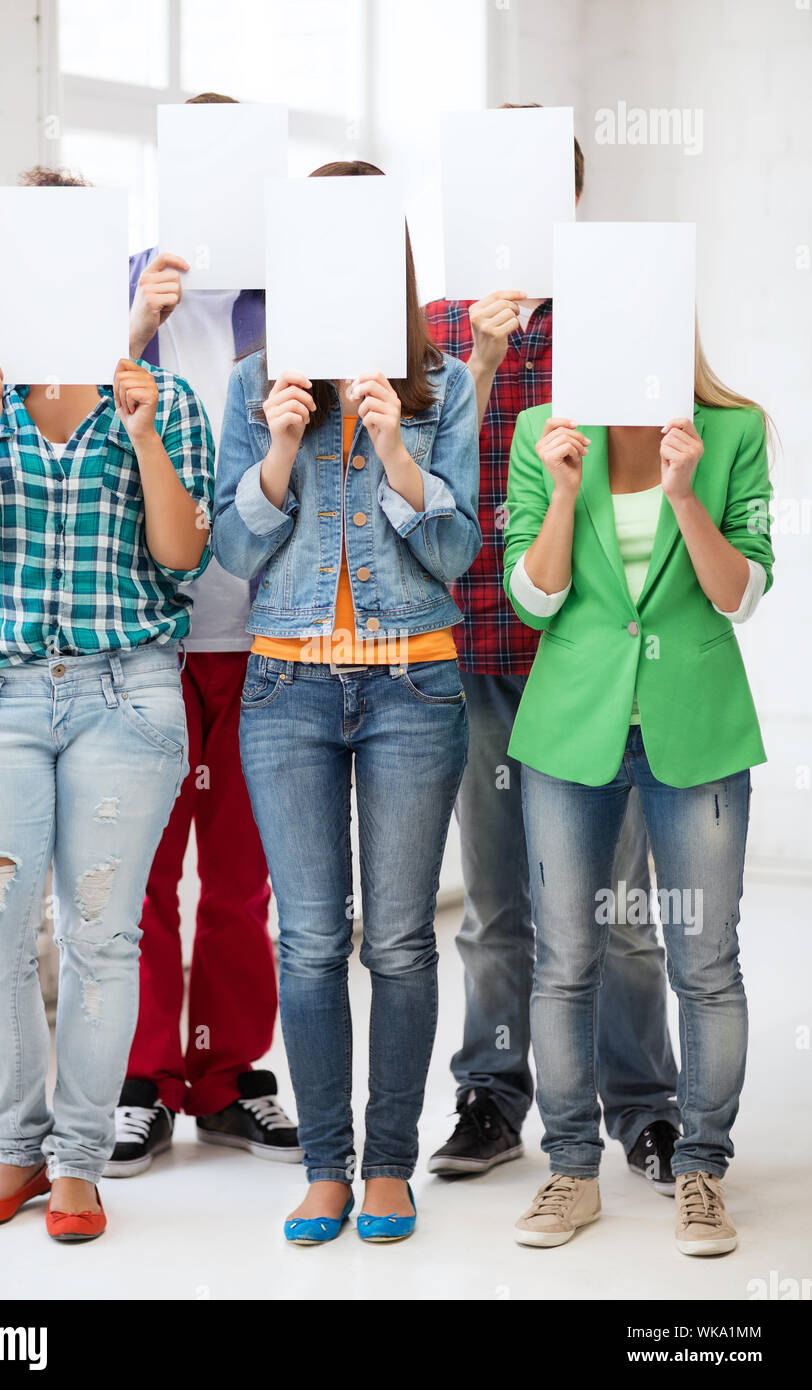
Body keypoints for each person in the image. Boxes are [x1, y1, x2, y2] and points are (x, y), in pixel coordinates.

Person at [0, 168, 214, 1242]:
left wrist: (139, 434)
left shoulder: (162, 399)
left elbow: (183, 557)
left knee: (100, 936)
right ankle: (14, 1147)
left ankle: (77, 1158)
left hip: (123, 696)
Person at [213, 159, 481, 1244]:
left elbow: (459, 552)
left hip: (413, 682)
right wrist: (281, 447)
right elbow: (233, 553)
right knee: (311, 939)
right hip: (284, 687)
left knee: (401, 941)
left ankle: (387, 1165)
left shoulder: (444, 385)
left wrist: (392, 451)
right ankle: (325, 1165)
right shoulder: (249, 385)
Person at [423, 104, 681, 1190]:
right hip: (478, 640)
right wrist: (477, 356)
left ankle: (644, 1104)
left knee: (616, 910)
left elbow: (654, 478)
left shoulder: (615, 316)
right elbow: (433, 490)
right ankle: (490, 1095)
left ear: (566, 202)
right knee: (496, 903)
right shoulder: (430, 328)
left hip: (588, 657)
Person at [505, 337, 773, 1254]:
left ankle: (701, 1169)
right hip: (570, 730)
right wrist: (568, 491)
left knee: (703, 961)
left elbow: (737, 596)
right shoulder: (546, 431)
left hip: (694, 729)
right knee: (565, 957)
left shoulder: (730, 433)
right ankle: (570, 1171)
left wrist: (684, 496)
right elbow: (533, 601)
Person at [106, 91, 301, 1177]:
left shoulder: (299, 299)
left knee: (240, 881)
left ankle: (225, 1078)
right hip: (144, 637)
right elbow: (67, 432)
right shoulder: (124, 283)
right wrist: (128, 329)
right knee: (137, 870)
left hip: (262, 632)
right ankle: (140, 1079)